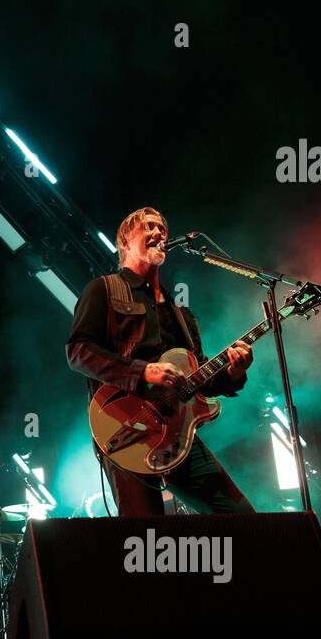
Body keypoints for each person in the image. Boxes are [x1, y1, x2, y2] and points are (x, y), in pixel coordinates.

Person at [66, 207, 254, 515]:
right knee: (146, 540)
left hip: (179, 435)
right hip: (126, 428)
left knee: (242, 518)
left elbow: (199, 376)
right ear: (125, 240)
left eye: (162, 229)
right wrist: (143, 372)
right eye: (149, 228)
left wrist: (234, 372)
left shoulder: (181, 314)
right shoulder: (103, 290)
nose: (159, 234)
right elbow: (79, 352)